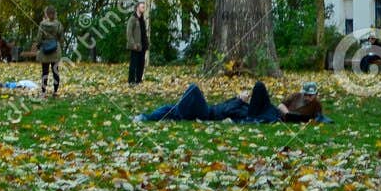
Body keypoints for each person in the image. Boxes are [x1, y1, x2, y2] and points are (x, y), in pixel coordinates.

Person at [135, 81, 323, 124]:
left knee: (192, 89)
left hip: (209, 114)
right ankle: (146, 117)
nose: (307, 97)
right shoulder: (279, 106)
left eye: (310, 95)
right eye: (306, 94)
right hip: (212, 109)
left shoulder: (264, 114)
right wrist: (238, 98)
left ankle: (179, 114)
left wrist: (238, 102)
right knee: (172, 108)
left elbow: (296, 115)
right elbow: (285, 105)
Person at [36, 6, 63, 96]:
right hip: (55, 49)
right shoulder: (58, 24)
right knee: (55, 71)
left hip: (45, 51)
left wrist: (38, 45)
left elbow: (39, 38)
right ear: (54, 13)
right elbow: (61, 36)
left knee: (44, 72)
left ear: (46, 14)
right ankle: (55, 91)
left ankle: (43, 91)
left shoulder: (42, 24)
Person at [126, 1, 149, 85]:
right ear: (137, 8)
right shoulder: (132, 19)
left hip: (142, 45)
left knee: (141, 64)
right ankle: (131, 80)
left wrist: (146, 44)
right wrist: (133, 44)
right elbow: (129, 33)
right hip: (135, 46)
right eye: (142, 7)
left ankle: (139, 80)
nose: (144, 8)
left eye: (144, 7)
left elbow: (143, 33)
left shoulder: (142, 19)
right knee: (133, 64)